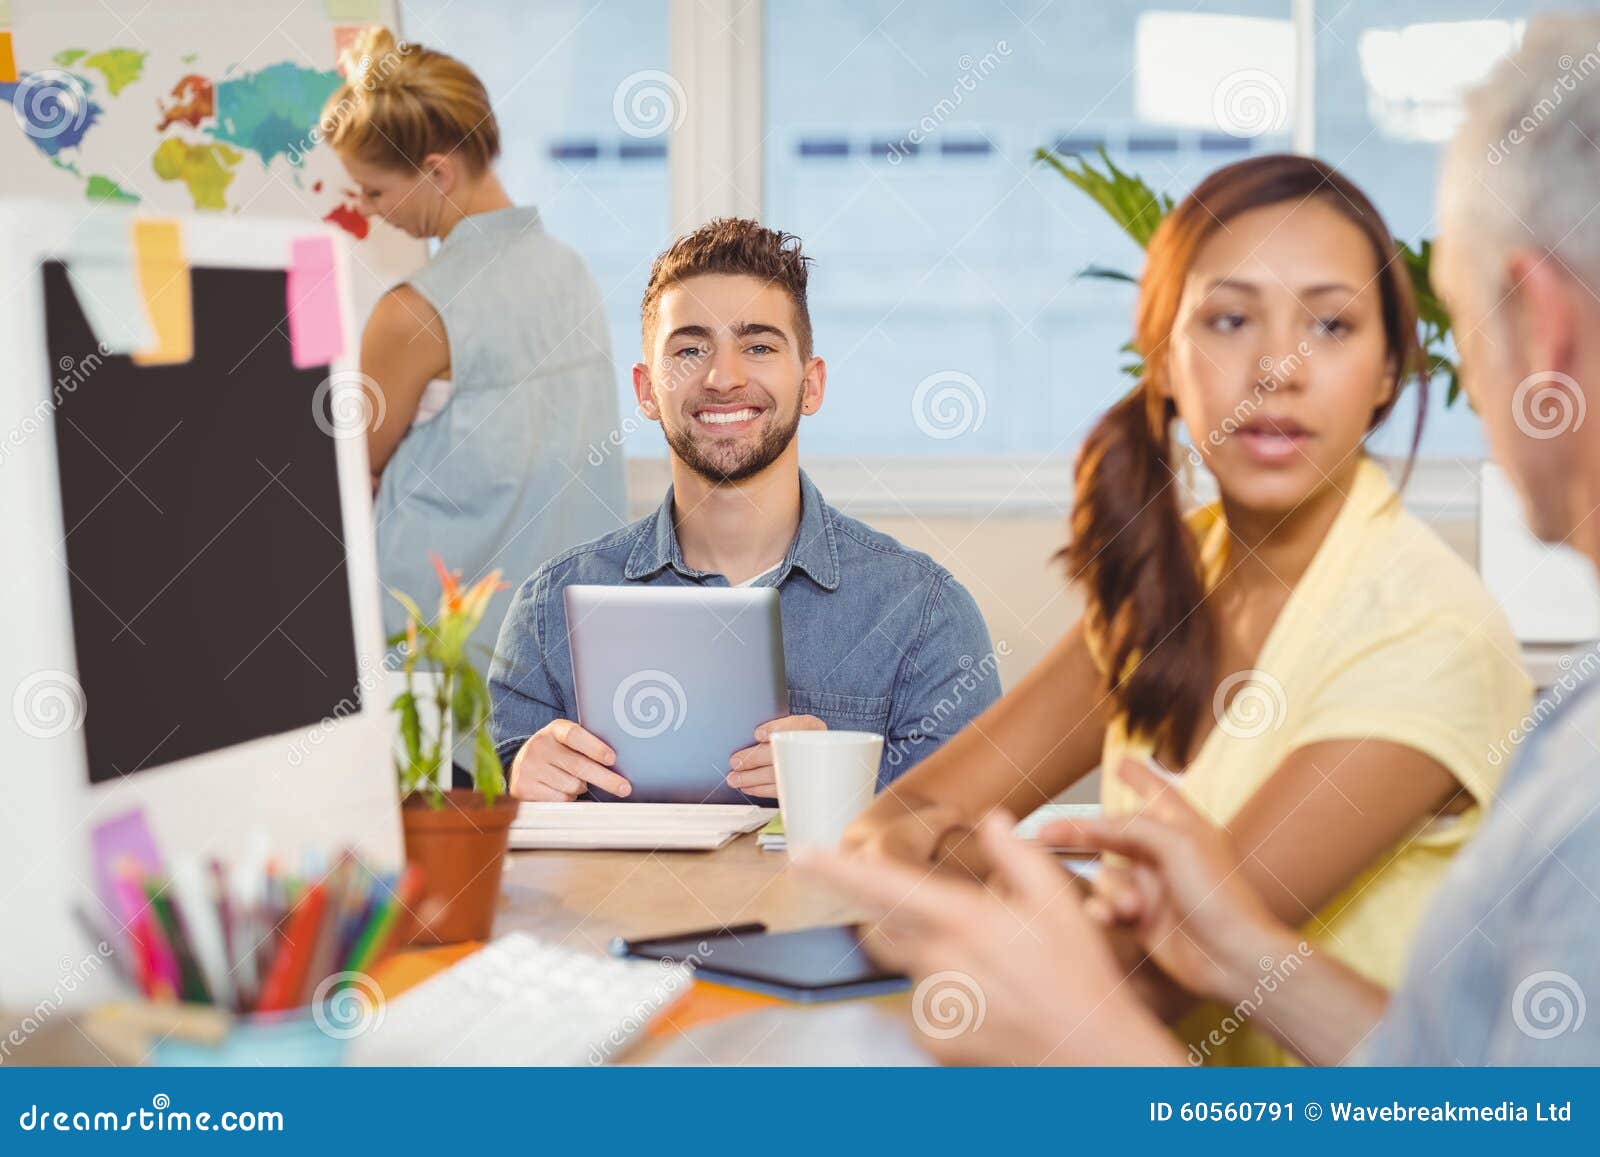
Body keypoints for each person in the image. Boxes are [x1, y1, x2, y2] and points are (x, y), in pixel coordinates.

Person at [807, 13, 1600, 1067]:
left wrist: (981, 885)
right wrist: (994, 888)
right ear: (1164, 361)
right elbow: (898, 821)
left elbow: (1139, 981)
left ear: (1387, 375)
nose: (1276, 368)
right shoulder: (1174, 564)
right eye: (1228, 321)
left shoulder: (1425, 628)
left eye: (1329, 324)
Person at [488, 219, 1000, 801]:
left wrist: (843, 787)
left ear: (811, 385)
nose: (723, 378)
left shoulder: (925, 615)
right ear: (647, 391)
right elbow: (481, 845)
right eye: (690, 349)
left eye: (758, 346)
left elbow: (969, 834)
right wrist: (511, 785)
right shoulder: (547, 612)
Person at [320, 27, 625, 662]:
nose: (372, 210)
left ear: (437, 171)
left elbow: (341, 478)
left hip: (440, 672)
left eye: (375, 191)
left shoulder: (414, 313)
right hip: (563, 657)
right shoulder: (571, 270)